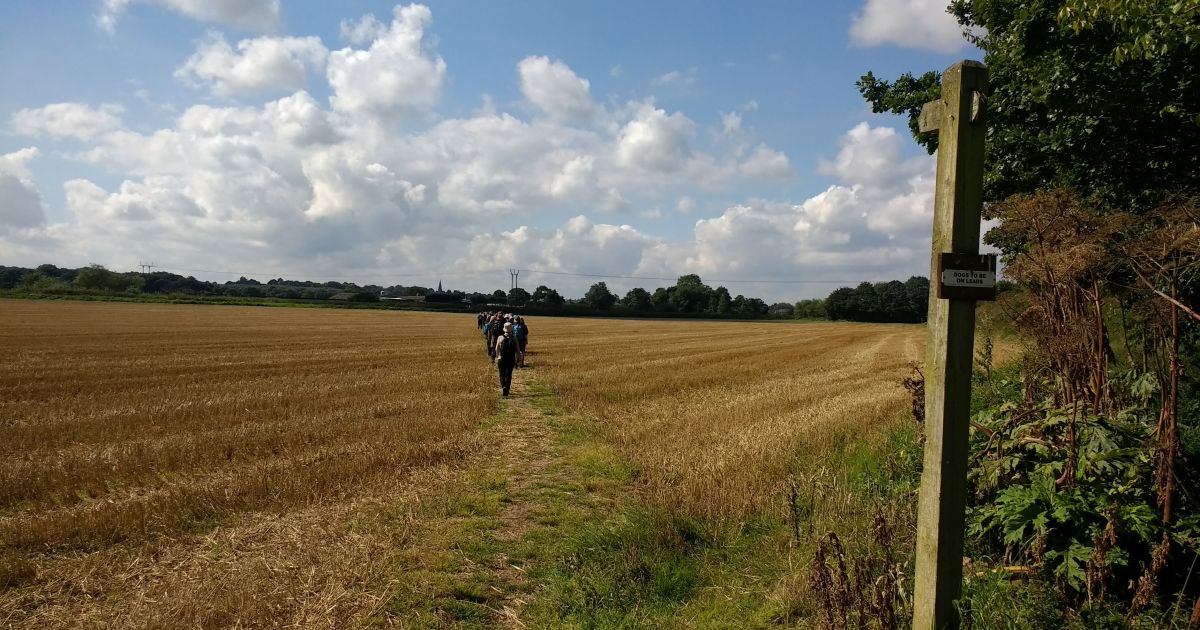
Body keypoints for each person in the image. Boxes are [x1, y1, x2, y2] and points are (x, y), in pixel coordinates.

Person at [495, 322, 518, 396]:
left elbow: (497, 348)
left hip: (502, 358)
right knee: (508, 375)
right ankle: (507, 389)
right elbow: (518, 349)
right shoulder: (514, 338)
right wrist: (518, 359)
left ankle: (503, 386)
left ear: (504, 329)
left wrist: (498, 356)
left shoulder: (500, 337)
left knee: (502, 374)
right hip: (511, 358)